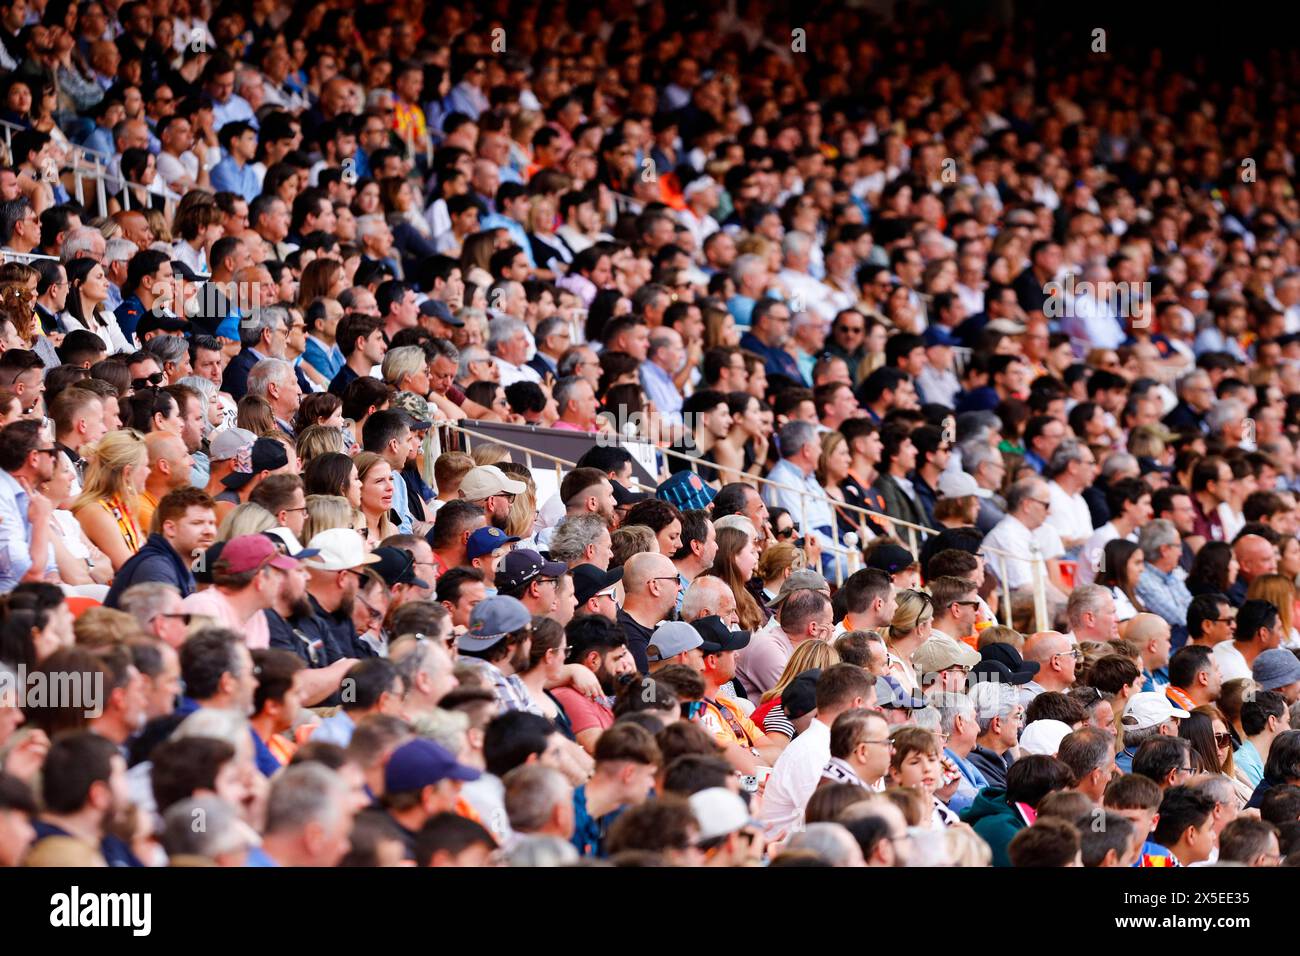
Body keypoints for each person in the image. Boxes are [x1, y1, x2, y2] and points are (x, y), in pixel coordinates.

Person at [760, 664, 876, 836]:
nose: (875, 712)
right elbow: (830, 823)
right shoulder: (812, 750)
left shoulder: (825, 743)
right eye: (873, 705)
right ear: (857, 705)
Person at [104, 487, 216, 606]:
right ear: (170, 528)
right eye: (197, 523)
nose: (209, 531)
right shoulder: (155, 568)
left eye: (211, 523)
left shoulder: (193, 564)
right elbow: (163, 623)